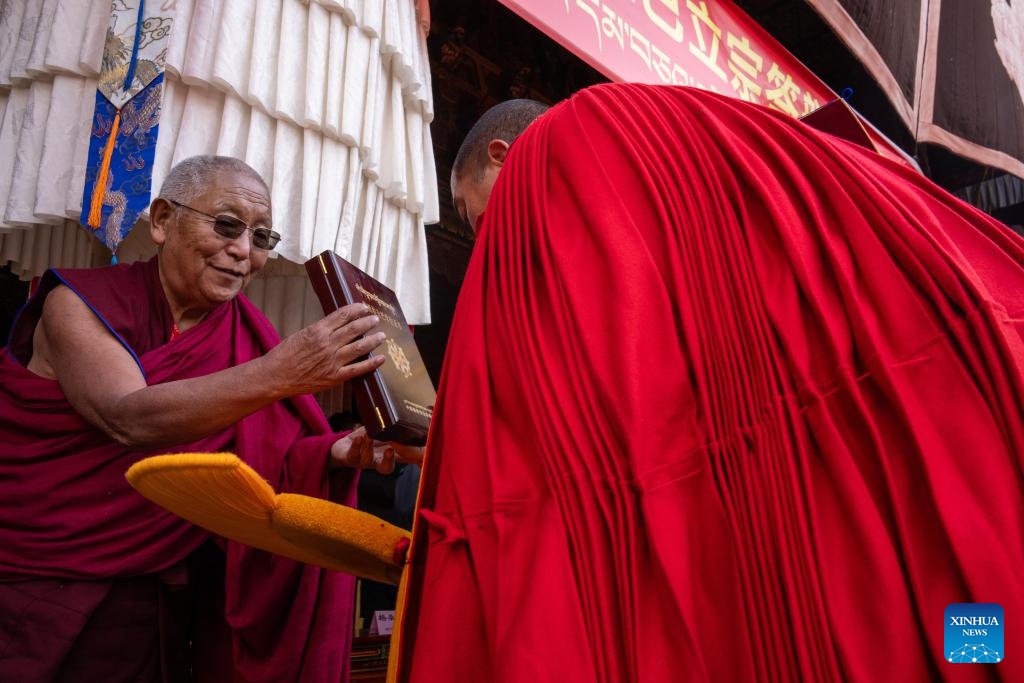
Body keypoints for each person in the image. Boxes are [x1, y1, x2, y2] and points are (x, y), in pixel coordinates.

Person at [390, 84, 1024, 681]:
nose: (489, 246)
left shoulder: (560, 146)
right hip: (915, 368)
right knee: (947, 590)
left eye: (478, 220)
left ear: (506, 155)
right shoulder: (668, 121)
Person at [0, 155, 418, 682]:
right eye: (226, 225)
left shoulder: (244, 334)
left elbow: (263, 456)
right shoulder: (77, 304)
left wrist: (334, 453)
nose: (244, 251)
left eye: (262, 238)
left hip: (157, 601)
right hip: (35, 585)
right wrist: (279, 373)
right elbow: (127, 418)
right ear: (161, 221)